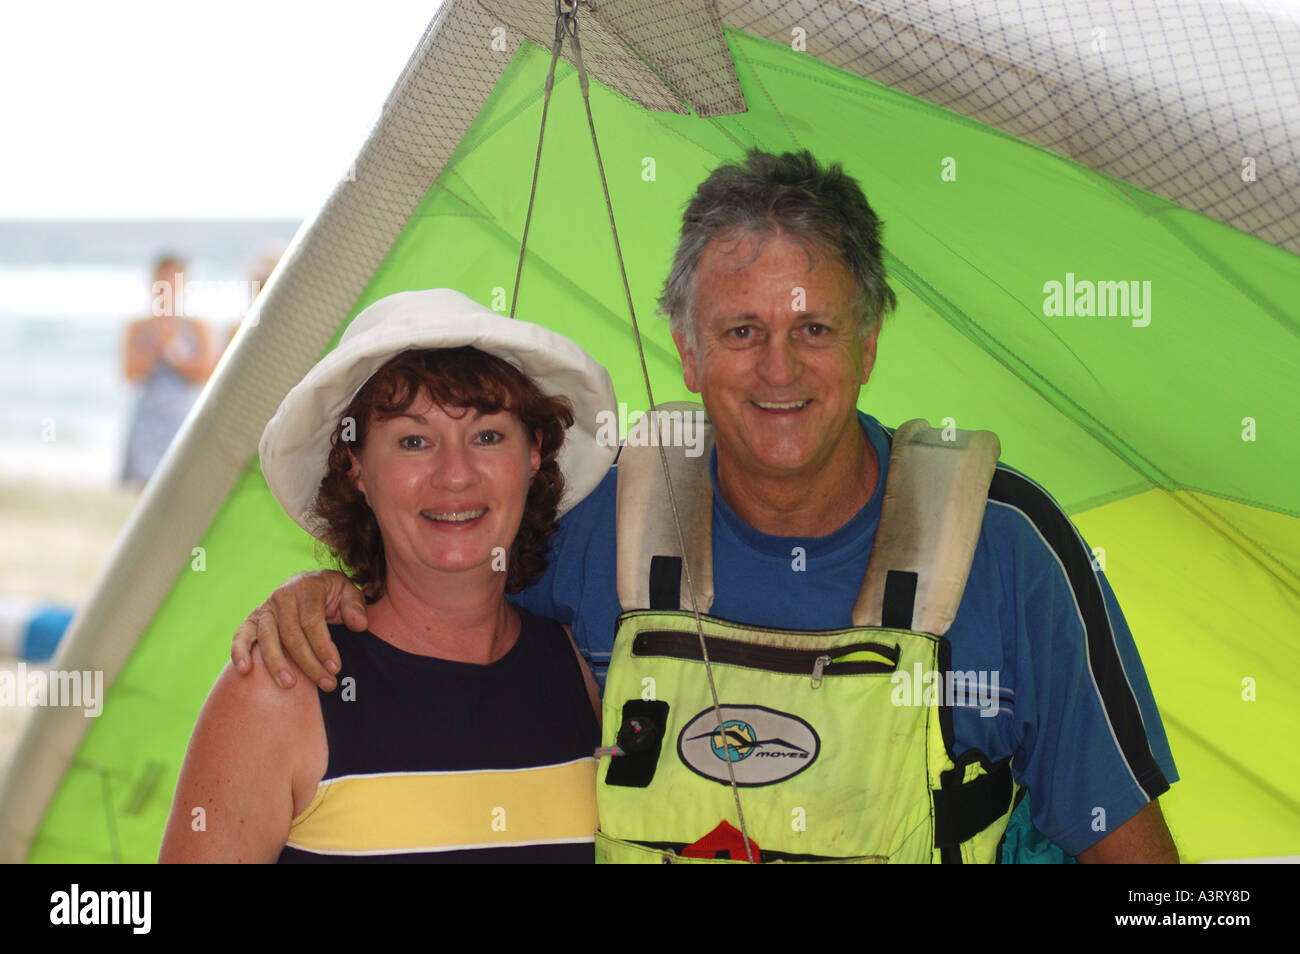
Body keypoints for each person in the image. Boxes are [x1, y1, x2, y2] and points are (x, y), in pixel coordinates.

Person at [232, 151, 1179, 863]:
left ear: (870, 339)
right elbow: (440, 583)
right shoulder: (603, 520)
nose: (778, 369)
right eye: (740, 331)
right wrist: (323, 598)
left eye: (814, 328)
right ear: (686, 352)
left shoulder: (999, 545)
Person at [161, 288, 615, 862]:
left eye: (488, 436)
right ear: (355, 469)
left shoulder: (574, 669)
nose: (455, 475)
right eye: (414, 441)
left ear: (533, 457)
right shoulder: (278, 690)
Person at [121, 255, 212, 487]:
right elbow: (129, 373)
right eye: (163, 280)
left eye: (174, 280)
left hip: (181, 415)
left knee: (180, 485)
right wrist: (156, 346)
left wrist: (172, 350)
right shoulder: (137, 326)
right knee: (143, 487)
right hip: (147, 416)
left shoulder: (197, 326)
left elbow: (205, 374)